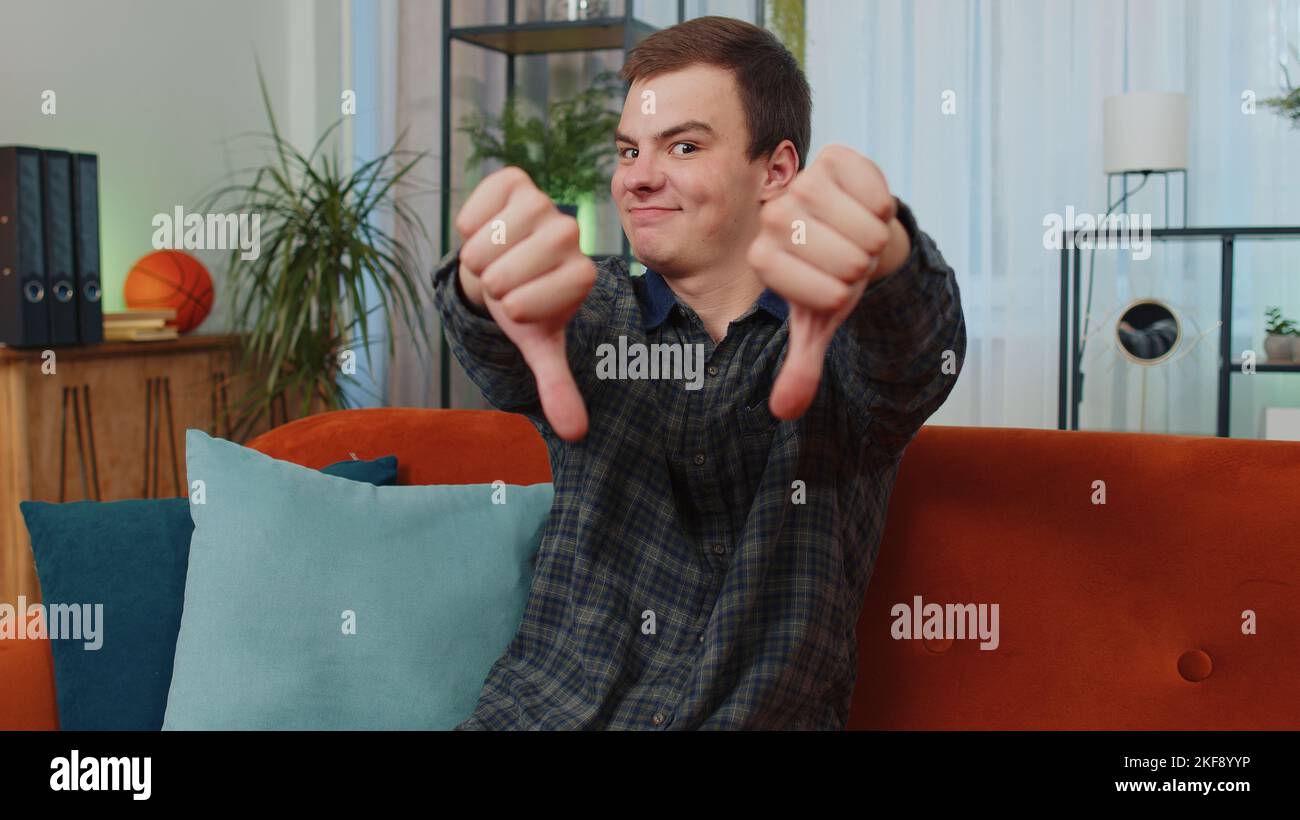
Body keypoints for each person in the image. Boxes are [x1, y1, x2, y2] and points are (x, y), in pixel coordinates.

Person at [433, 15, 967, 729]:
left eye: (683, 146)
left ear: (775, 170)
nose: (639, 178)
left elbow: (917, 352)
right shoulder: (586, 313)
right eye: (628, 150)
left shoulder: (844, 346)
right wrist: (480, 282)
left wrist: (886, 250)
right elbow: (496, 339)